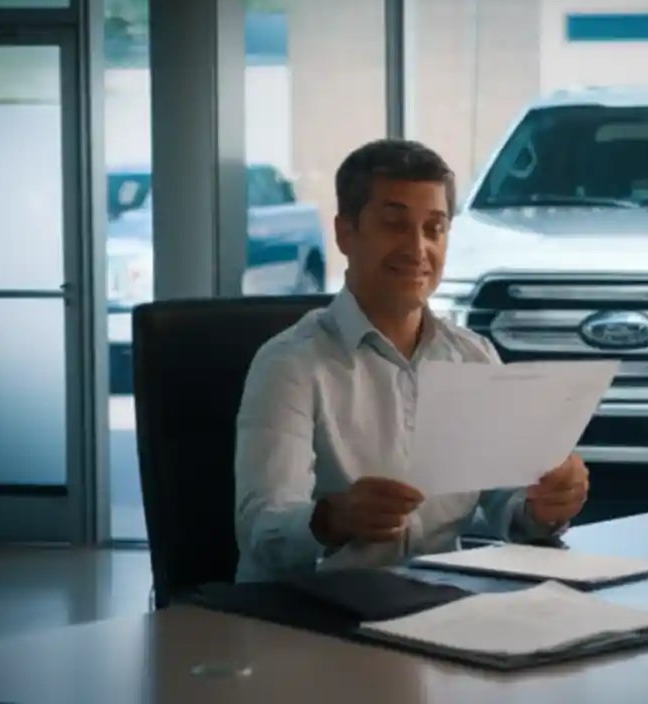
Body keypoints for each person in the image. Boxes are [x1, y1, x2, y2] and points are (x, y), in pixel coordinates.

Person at [233, 139, 589, 583]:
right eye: (394, 224)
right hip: (308, 618)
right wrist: (332, 519)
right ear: (346, 233)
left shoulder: (474, 358)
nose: (417, 248)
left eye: (434, 228)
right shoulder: (291, 364)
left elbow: (508, 506)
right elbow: (260, 529)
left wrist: (544, 507)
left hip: (435, 607)